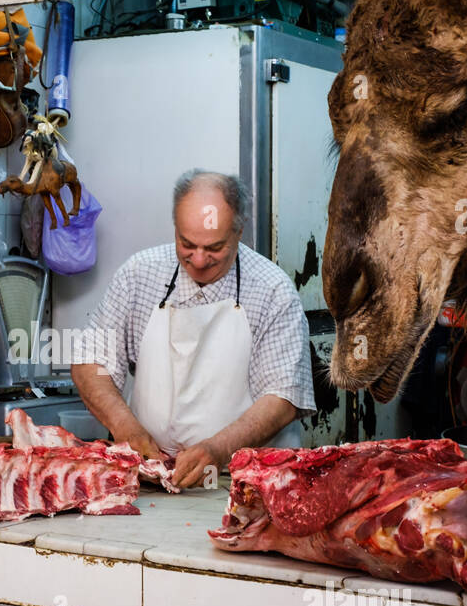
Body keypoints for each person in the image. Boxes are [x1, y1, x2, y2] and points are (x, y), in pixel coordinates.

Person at [71, 169, 315, 488]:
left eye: (214, 248)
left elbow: (283, 396)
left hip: (245, 484)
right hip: (151, 479)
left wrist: (219, 449)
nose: (198, 260)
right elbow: (94, 363)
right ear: (175, 228)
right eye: (187, 244)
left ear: (239, 232)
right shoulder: (138, 275)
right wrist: (125, 427)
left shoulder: (272, 290)